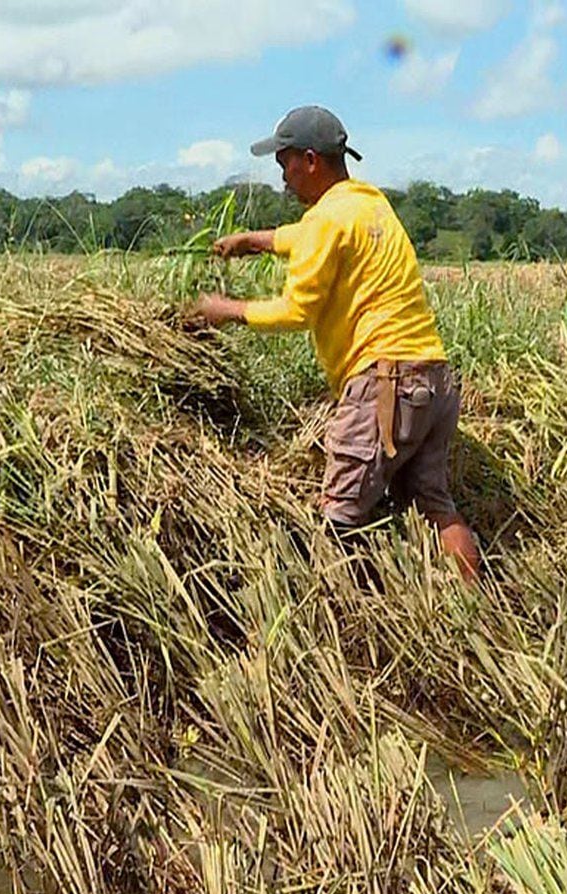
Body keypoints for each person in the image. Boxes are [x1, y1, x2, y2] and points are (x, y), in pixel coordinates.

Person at [192, 105, 482, 584]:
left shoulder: (328, 220)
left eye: (284, 163)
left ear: (310, 160)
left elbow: (296, 312)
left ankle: (348, 628)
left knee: (340, 516)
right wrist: (254, 240)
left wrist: (225, 311)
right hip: (432, 376)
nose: (282, 177)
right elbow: (309, 234)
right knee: (434, 505)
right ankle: (474, 608)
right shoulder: (368, 202)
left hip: (384, 383)